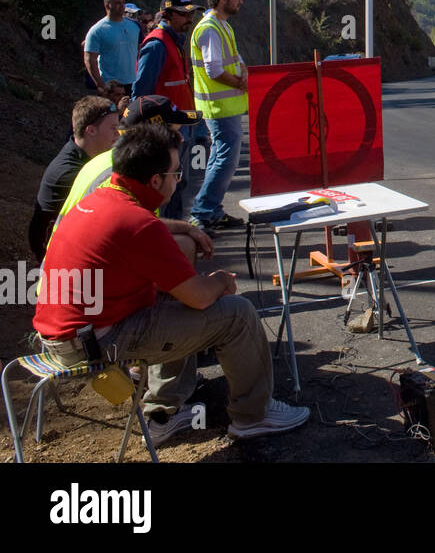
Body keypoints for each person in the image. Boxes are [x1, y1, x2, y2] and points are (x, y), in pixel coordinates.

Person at [33, 122, 310, 443]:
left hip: (63, 336)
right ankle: (253, 416)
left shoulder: (105, 197)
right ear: (155, 180)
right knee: (237, 314)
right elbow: (199, 298)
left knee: (172, 301)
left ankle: (163, 413)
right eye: (176, 174)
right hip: (92, 345)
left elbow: (144, 234)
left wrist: (187, 232)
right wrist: (220, 280)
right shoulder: (137, 224)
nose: (180, 180)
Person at [50, 96, 213, 264]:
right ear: (152, 137)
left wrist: (187, 227)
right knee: (180, 247)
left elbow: (137, 224)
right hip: (77, 276)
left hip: (69, 271)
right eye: (173, 134)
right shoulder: (126, 174)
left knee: (176, 241)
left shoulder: (115, 159)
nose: (181, 138)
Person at [190, 0, 250, 232]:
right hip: (219, 108)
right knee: (225, 159)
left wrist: (243, 72)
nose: (240, 2)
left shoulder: (221, 25)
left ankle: (209, 209)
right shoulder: (210, 28)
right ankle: (203, 212)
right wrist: (239, 82)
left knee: (219, 158)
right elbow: (214, 70)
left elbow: (232, 58)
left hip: (224, 108)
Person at [134, 0, 200, 219]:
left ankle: (174, 232)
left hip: (180, 126)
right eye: (183, 14)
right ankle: (169, 236)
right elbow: (141, 92)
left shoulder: (174, 41)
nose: (189, 19)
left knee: (179, 183)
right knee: (167, 186)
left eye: (190, 14)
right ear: (167, 15)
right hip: (164, 131)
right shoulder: (157, 44)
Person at [27, 96, 119, 257]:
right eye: (113, 128)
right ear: (91, 130)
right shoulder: (69, 172)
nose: (118, 134)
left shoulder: (83, 157)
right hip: (56, 257)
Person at [84, 0, 141, 97]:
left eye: (123, 2)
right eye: (117, 3)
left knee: (130, 113)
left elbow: (139, 50)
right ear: (107, 5)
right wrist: (100, 84)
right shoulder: (97, 30)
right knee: (112, 113)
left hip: (132, 83)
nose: (122, 5)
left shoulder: (134, 26)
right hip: (111, 86)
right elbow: (89, 60)